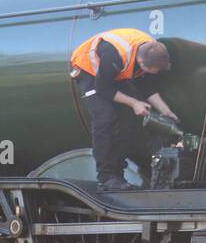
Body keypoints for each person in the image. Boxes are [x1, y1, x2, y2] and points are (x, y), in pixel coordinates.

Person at [70, 28, 178, 189]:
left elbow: (147, 87)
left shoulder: (151, 50)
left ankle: (118, 175)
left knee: (128, 120)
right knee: (105, 118)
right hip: (90, 71)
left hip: (115, 74)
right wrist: (134, 103)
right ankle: (106, 178)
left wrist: (166, 111)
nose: (155, 74)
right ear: (141, 63)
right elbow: (104, 89)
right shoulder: (114, 56)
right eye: (152, 71)